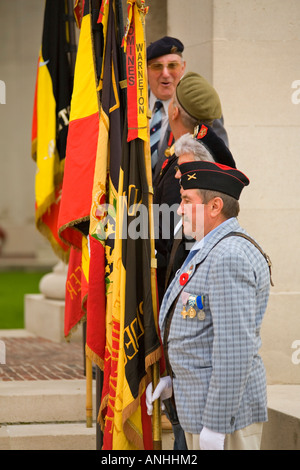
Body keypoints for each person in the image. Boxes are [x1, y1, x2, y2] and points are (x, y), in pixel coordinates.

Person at [147, 158, 273, 451]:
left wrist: (216, 426)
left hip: (223, 420)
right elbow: (200, 328)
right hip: (199, 408)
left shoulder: (228, 255)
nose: (178, 209)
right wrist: (174, 381)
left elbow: (234, 349)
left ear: (215, 207)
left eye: (186, 200)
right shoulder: (211, 247)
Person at [147, 36, 229, 180]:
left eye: (172, 65)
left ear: (183, 67)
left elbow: (218, 163)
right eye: (157, 66)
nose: (165, 73)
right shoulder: (130, 106)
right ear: (145, 70)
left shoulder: (200, 107)